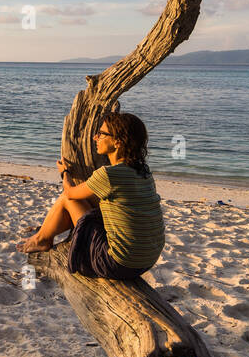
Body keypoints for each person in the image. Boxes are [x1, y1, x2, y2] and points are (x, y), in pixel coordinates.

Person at [17, 111, 164, 280]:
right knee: (89, 202)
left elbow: (70, 193)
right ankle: (43, 236)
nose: (95, 138)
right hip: (146, 261)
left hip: (116, 263)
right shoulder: (143, 172)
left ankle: (41, 239)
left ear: (118, 142)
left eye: (101, 134)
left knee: (67, 199)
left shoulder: (109, 175)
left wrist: (65, 172)